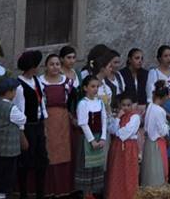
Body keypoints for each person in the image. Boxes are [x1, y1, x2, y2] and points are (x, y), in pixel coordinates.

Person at [12, 50, 49, 199]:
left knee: (41, 161)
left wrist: (44, 124)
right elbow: (19, 111)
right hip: (27, 127)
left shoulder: (37, 81)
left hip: (38, 125)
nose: (38, 68)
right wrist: (22, 135)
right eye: (36, 66)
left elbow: (42, 103)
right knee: (25, 163)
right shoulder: (19, 86)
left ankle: (40, 193)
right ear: (30, 67)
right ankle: (23, 194)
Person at [42, 52, 77, 197]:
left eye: (57, 64)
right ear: (46, 66)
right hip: (47, 120)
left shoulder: (68, 82)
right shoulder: (40, 82)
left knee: (63, 152)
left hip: (63, 121)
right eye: (52, 64)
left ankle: (63, 188)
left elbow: (73, 102)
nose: (55, 67)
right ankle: (48, 188)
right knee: (49, 151)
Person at [0, 75, 28, 199]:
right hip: (9, 150)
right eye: (14, 90)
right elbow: (23, 119)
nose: (15, 93)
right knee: (8, 177)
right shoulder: (11, 108)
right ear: (9, 92)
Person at [72, 72, 109, 198]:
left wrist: (103, 137)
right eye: (92, 86)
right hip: (87, 139)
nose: (95, 89)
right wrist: (92, 140)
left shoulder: (100, 102)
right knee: (86, 165)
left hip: (99, 137)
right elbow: (83, 123)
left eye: (97, 87)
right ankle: (86, 193)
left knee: (96, 165)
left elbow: (104, 120)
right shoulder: (83, 103)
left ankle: (93, 192)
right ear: (85, 88)